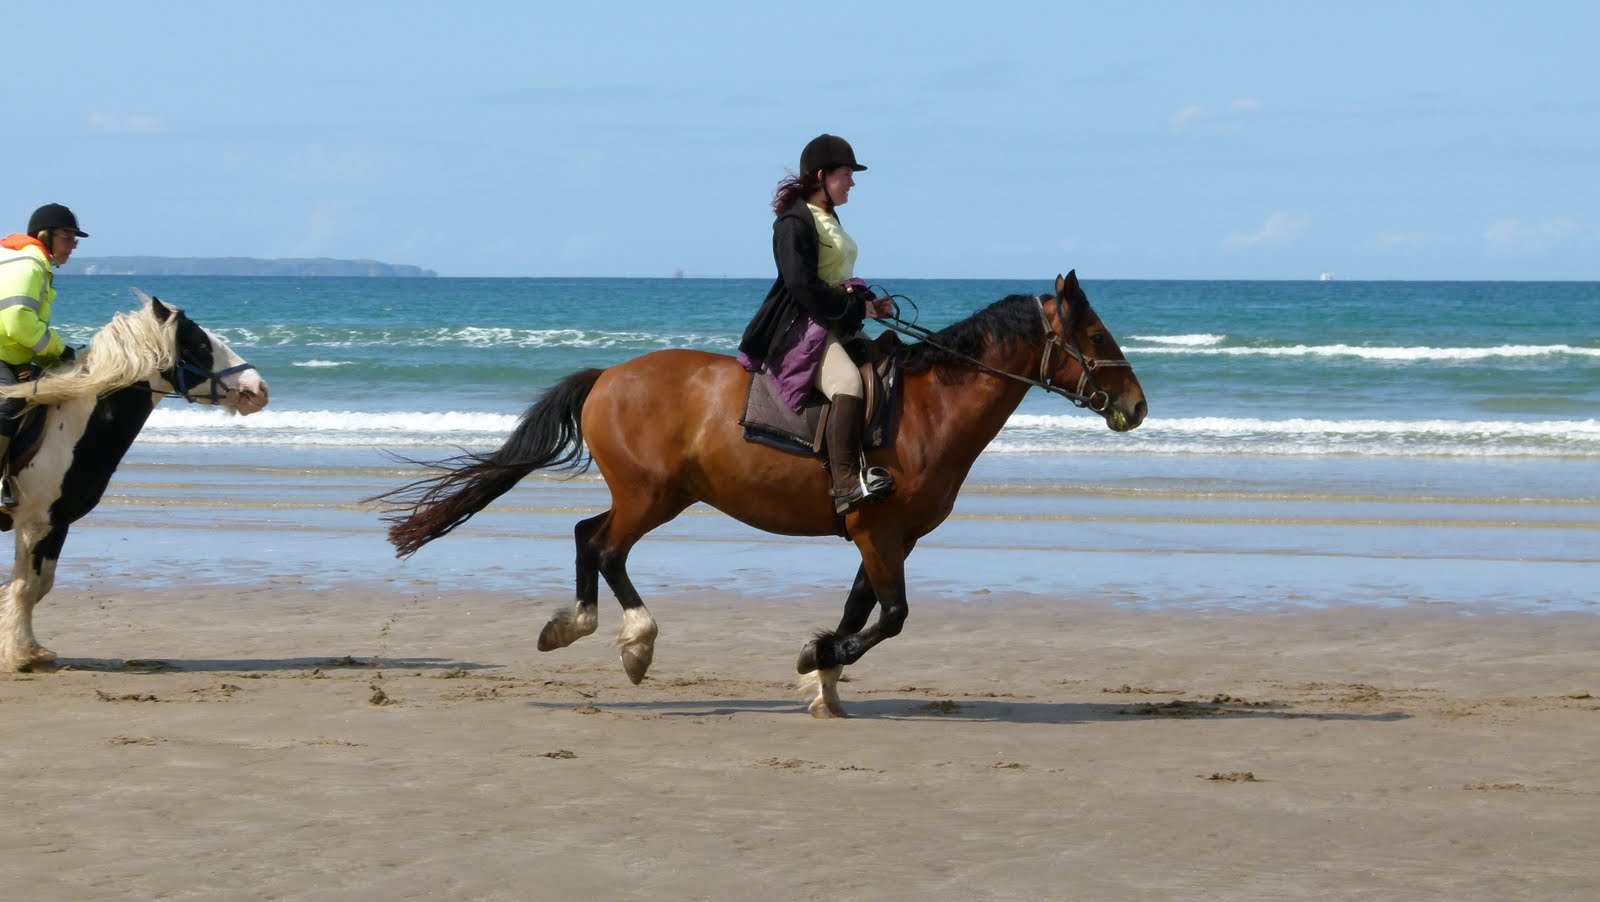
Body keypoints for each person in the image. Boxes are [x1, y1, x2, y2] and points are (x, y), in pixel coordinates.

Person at [738, 134, 896, 515]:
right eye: (847, 174)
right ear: (822, 176)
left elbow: (834, 279)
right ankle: (845, 484)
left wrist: (869, 307)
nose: (852, 183)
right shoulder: (793, 223)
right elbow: (802, 286)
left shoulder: (830, 218)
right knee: (848, 384)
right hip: (804, 326)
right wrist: (856, 309)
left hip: (834, 320)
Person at [0, 203, 86, 509]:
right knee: (9, 404)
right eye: (68, 237)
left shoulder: (27, 260)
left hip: (10, 355)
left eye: (75, 240)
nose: (73, 246)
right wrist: (58, 350)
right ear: (44, 235)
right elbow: (17, 321)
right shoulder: (30, 265)